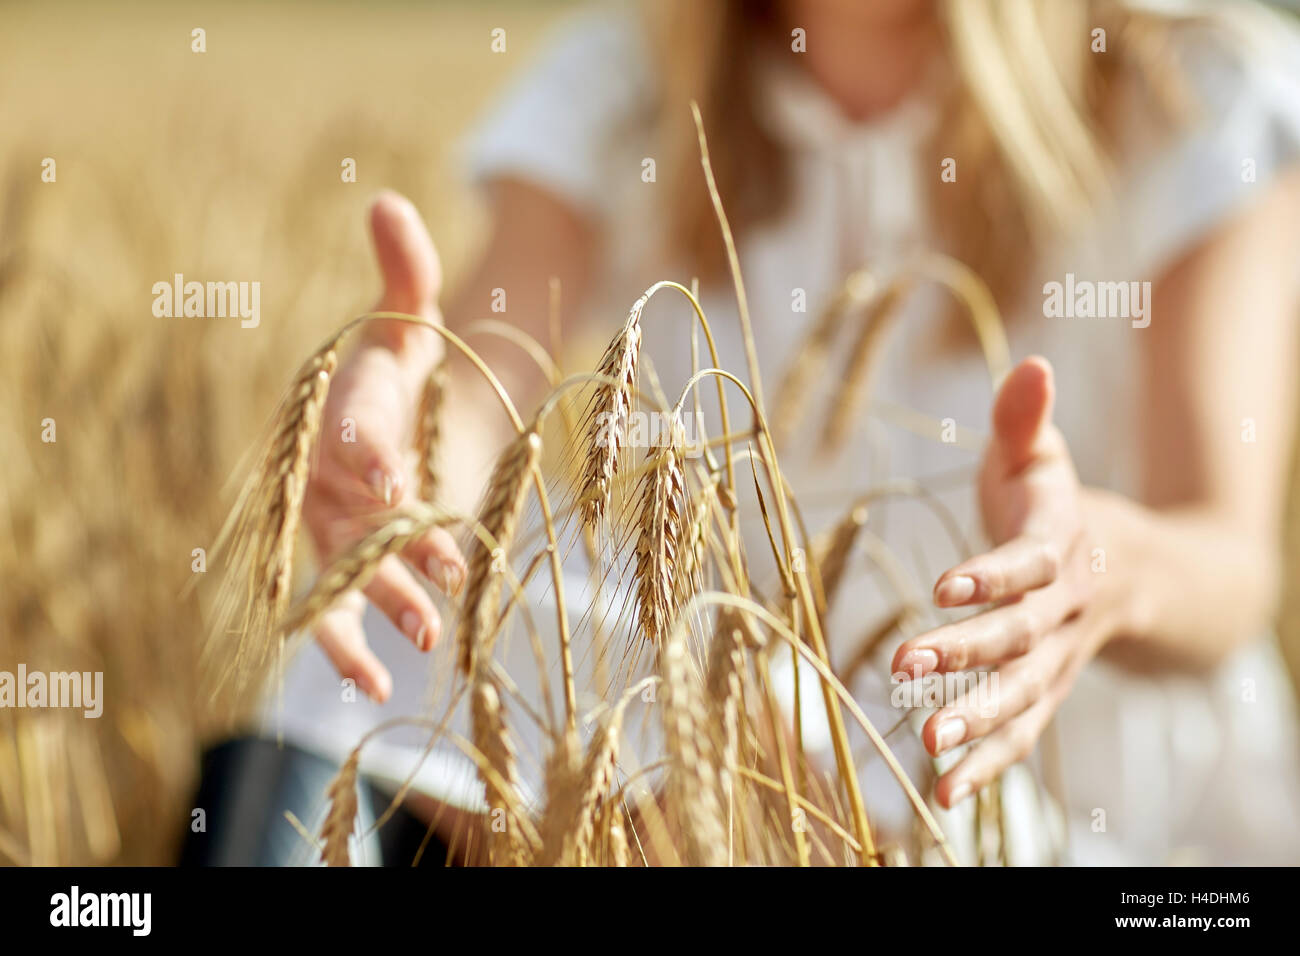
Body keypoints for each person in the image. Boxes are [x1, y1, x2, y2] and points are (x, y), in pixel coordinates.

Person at [269, 0, 1300, 864]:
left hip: (1099, 827)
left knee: (759, 722)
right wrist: (396, 458)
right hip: (752, 753)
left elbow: (1228, 554)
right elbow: (481, 389)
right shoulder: (636, 74)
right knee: (363, 657)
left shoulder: (1189, 89)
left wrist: (1096, 566)